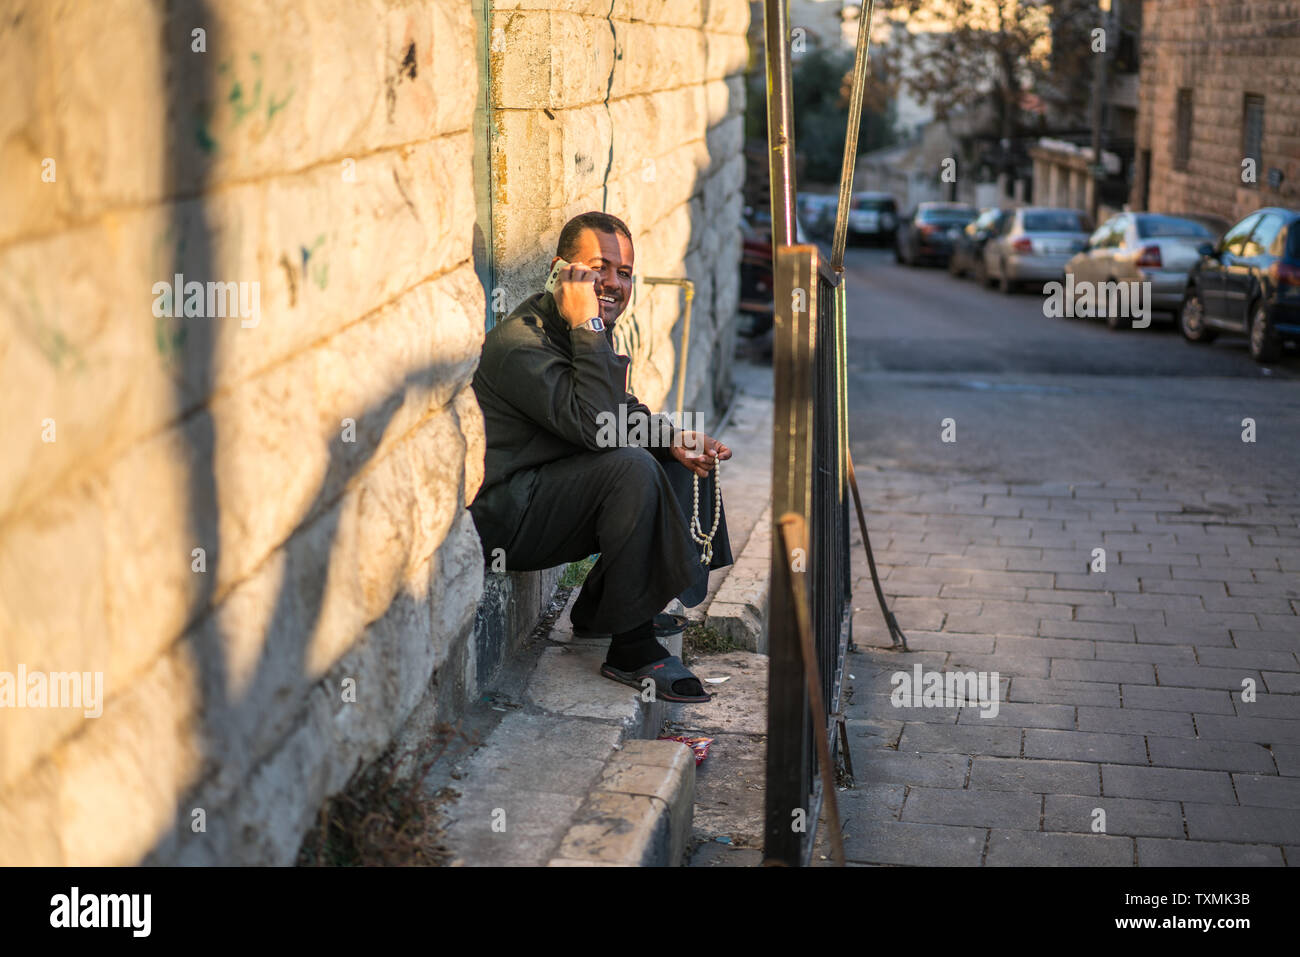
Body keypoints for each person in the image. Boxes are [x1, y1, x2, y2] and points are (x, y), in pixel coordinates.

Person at [469, 211, 733, 702]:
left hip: (549, 495)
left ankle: (599, 611)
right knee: (630, 467)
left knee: (668, 451)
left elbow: (615, 411)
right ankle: (631, 647)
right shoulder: (523, 344)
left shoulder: (574, 328)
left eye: (624, 272)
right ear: (562, 272)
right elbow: (595, 428)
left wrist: (673, 438)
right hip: (507, 517)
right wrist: (588, 325)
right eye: (599, 268)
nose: (614, 283)